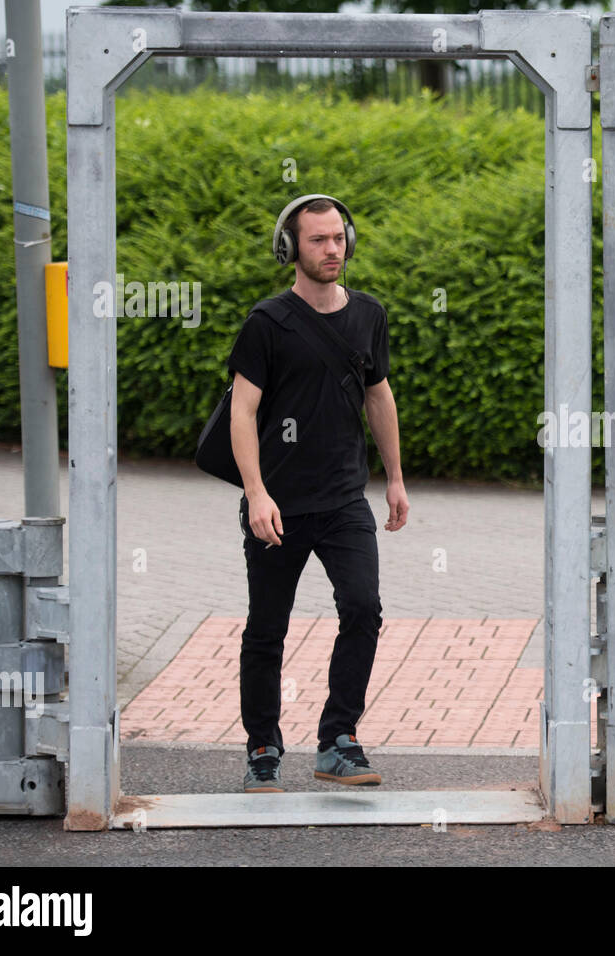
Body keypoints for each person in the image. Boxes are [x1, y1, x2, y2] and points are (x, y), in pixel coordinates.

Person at [227, 194, 409, 794]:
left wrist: (396, 481)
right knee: (266, 630)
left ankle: (338, 739)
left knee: (363, 609)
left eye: (338, 239)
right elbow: (243, 410)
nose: (333, 250)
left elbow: (378, 397)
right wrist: (256, 492)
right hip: (278, 504)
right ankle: (262, 749)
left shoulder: (368, 315)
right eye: (317, 241)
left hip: (343, 502)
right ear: (291, 249)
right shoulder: (267, 322)